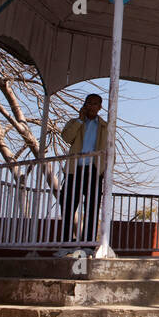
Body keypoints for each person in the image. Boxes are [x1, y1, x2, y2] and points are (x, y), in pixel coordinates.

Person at [58, 94, 107, 243]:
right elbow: (66, 138)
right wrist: (80, 119)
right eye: (89, 103)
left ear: (100, 107)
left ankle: (88, 242)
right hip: (75, 169)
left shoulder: (105, 126)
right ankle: (67, 241)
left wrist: (103, 170)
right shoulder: (76, 123)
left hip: (93, 170)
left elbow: (110, 149)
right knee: (67, 204)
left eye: (95, 104)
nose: (92, 106)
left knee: (92, 207)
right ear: (84, 105)